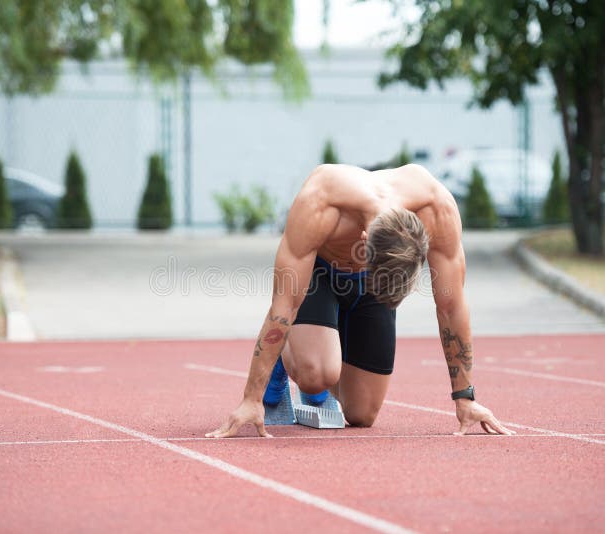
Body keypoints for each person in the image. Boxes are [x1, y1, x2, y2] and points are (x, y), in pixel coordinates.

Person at [206, 163, 514, 438]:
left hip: (370, 286)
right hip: (320, 274)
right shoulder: (320, 201)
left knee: (362, 414)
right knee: (316, 375)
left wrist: (465, 398)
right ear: (364, 242)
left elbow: (451, 307)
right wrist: (252, 398)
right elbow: (285, 304)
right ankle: (289, 368)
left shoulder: (436, 208)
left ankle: (324, 346)